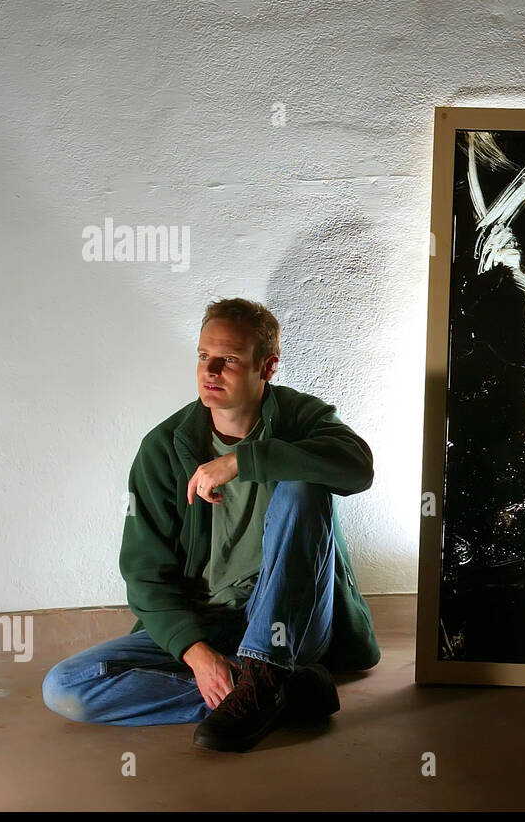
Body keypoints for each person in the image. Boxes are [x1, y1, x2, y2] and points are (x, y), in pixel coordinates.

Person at [42, 298, 382, 751]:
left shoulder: (301, 419)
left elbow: (357, 468)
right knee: (65, 687)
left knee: (305, 485)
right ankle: (276, 692)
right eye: (204, 356)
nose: (211, 370)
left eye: (230, 360)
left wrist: (243, 460)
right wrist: (197, 655)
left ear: (268, 367)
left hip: (289, 624)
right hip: (210, 625)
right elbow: (145, 576)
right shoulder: (164, 448)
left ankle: (267, 673)